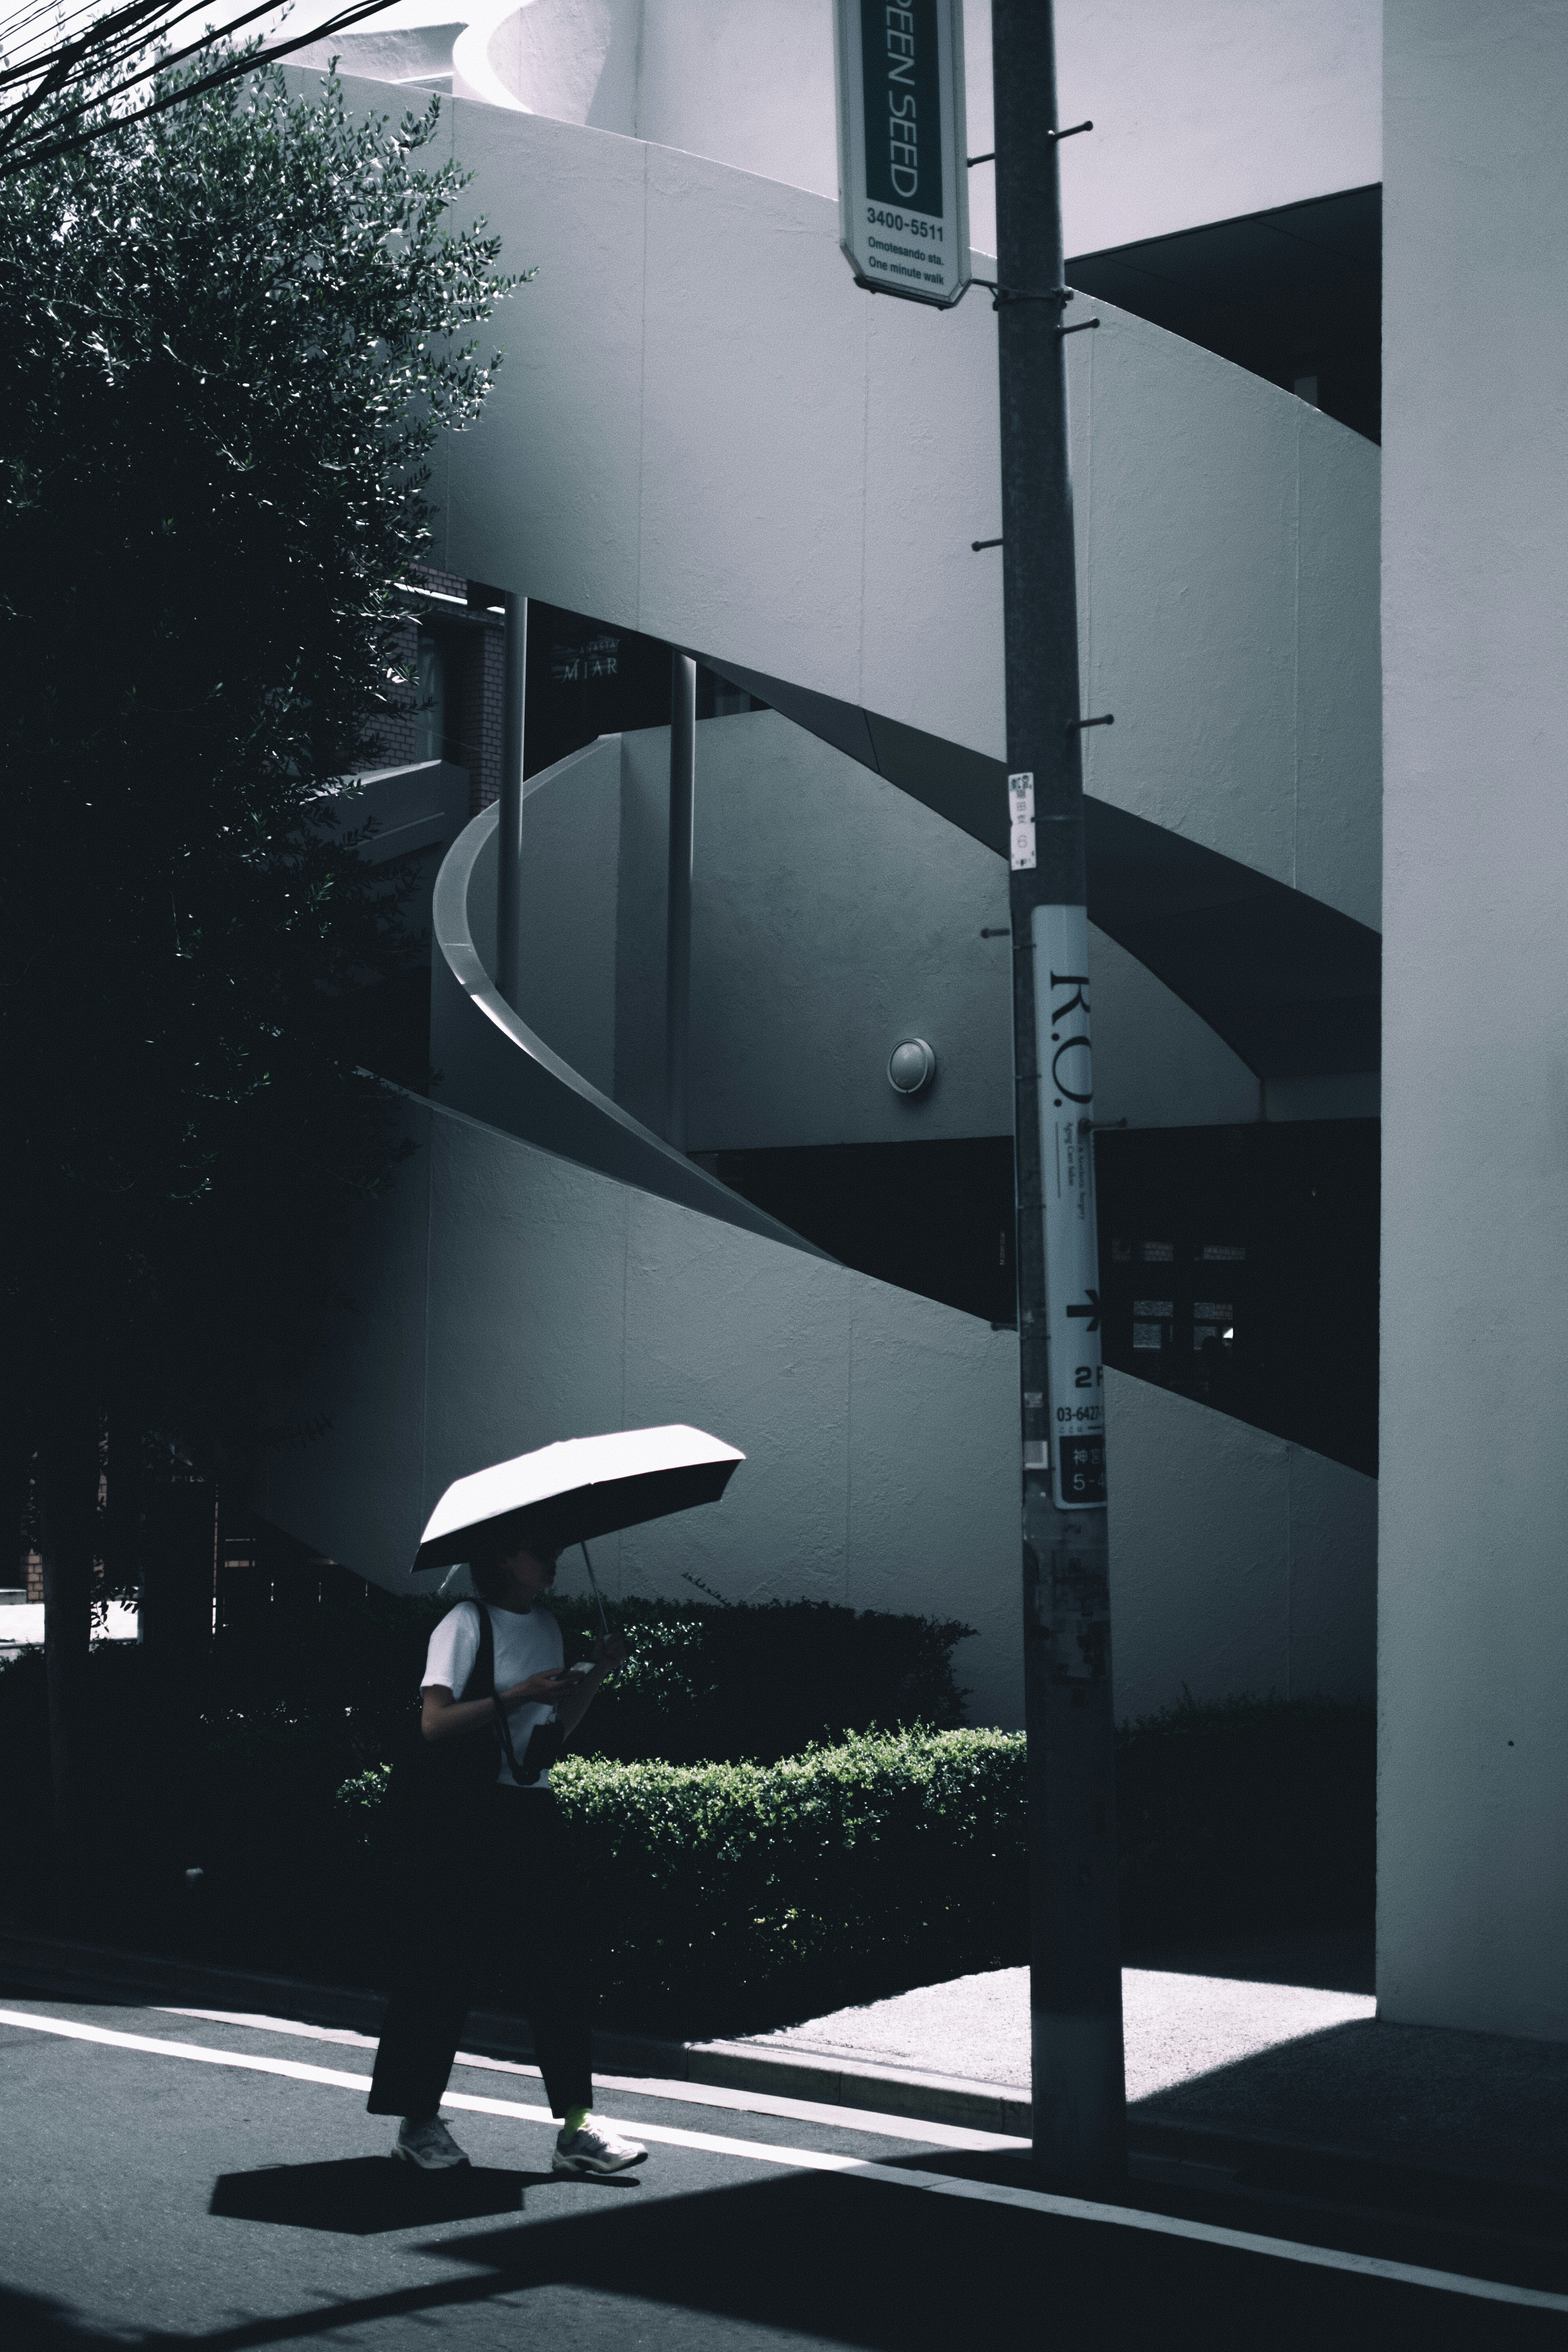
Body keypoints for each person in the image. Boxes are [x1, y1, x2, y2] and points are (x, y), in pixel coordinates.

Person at [367, 1508, 647, 2177]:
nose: (549, 1560)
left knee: (559, 1968)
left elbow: (552, 1736)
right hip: (462, 1819)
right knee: (442, 1969)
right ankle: (418, 2122)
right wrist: (515, 1695)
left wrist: (595, 1678)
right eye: (536, 1550)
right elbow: (433, 1724)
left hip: (529, 1809)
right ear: (503, 1561)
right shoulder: (464, 1624)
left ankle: (576, 2131)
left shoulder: (548, 1627)